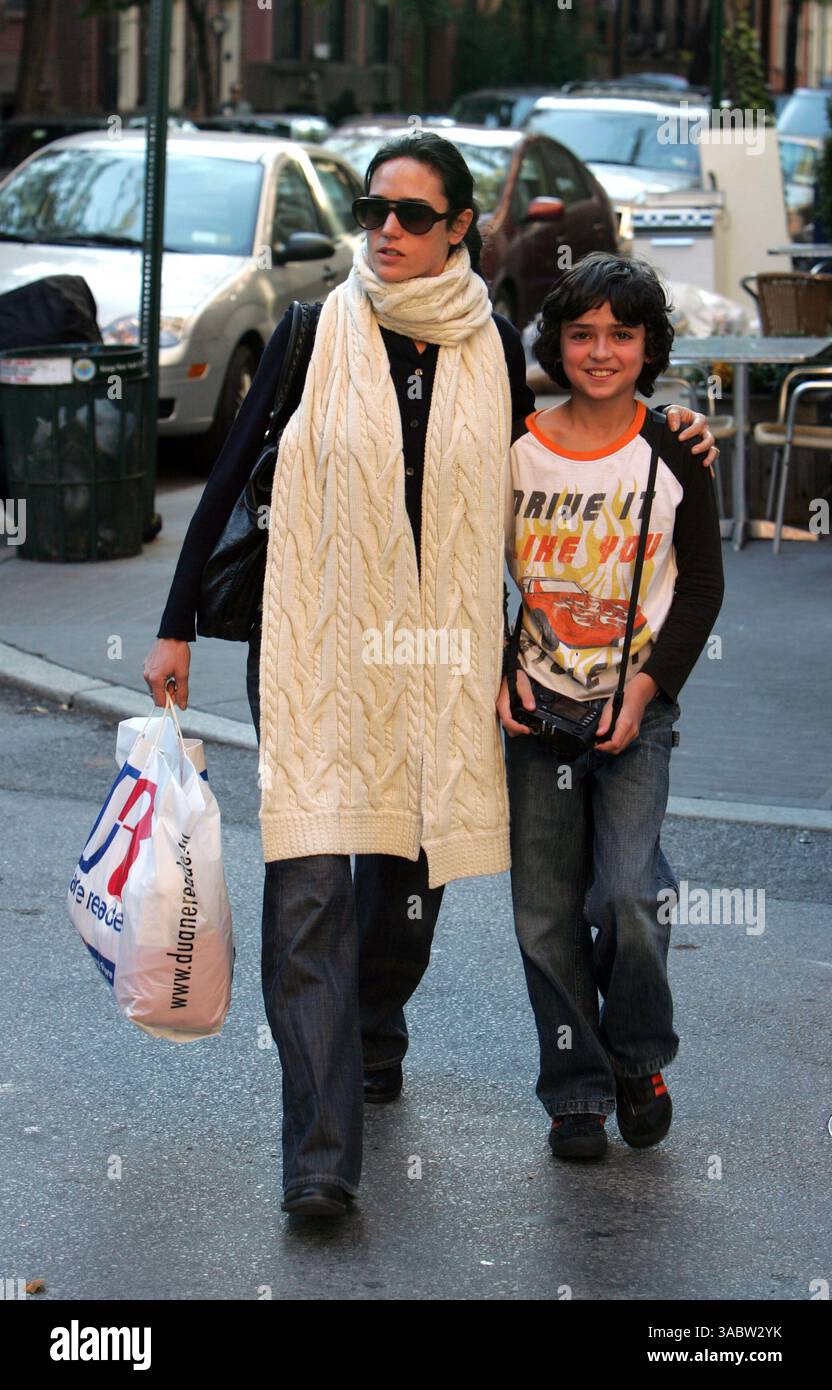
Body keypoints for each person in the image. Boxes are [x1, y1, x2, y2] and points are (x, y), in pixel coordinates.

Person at [143, 134, 716, 1218]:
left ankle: (371, 1023)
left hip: (439, 661)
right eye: (374, 213)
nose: (387, 233)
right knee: (309, 882)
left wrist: (678, 427)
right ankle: (319, 1159)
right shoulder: (315, 330)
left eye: (412, 216)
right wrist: (174, 625)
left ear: (461, 228)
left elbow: (566, 437)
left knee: (404, 896)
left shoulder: (492, 347)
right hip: (317, 649)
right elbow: (224, 478)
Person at [497, 252, 725, 1162]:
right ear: (556, 341)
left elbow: (702, 586)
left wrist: (648, 686)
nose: (599, 352)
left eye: (620, 335)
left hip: (637, 709)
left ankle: (636, 1057)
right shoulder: (512, 443)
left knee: (631, 896)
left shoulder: (674, 444)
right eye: (582, 333)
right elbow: (470, 571)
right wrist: (496, 669)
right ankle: (576, 1089)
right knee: (545, 913)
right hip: (535, 709)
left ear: (648, 346)